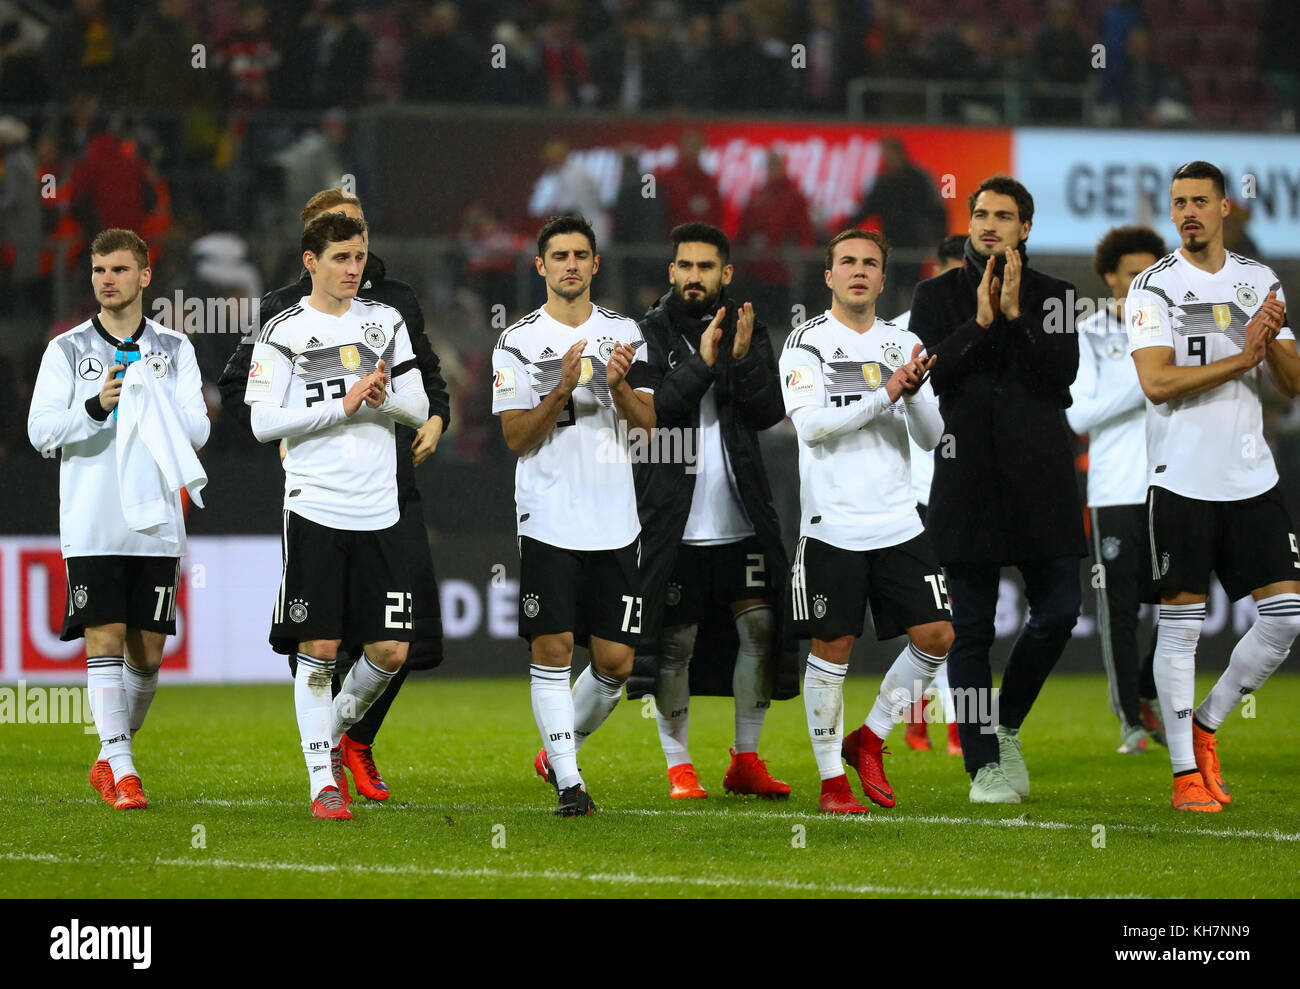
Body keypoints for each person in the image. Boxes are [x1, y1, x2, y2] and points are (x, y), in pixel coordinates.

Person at [219, 187, 450, 801]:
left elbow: (421, 403)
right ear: (309, 261)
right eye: (341, 258)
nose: (354, 269)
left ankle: (335, 730)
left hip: (383, 507)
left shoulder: (387, 320)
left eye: (358, 257)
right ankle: (323, 781)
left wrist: (385, 400)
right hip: (317, 505)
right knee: (318, 647)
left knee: (392, 650)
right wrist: (341, 410)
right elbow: (263, 423)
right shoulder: (280, 329)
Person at [1127, 161, 1300, 812]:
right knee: (1181, 630)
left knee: (1286, 616)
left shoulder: (1259, 279)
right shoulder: (1153, 288)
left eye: (1200, 201)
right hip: (1183, 478)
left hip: (1252, 475)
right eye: (1178, 203)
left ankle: (1204, 724)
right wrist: (1242, 356)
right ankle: (1182, 776)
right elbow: (1158, 383)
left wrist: (1268, 339)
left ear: (1225, 207)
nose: (1189, 212)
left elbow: (1292, 380)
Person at [908, 175, 1085, 804]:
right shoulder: (934, 296)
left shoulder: (1057, 295)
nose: (988, 224)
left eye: (1003, 216)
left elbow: (1060, 378)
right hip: (966, 478)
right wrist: (980, 324)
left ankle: (1003, 723)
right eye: (980, 213)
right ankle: (984, 762)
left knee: (1061, 610)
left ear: (1025, 228)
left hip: (1043, 478)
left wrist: (1014, 317)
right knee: (972, 631)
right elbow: (933, 377)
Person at [27, 227, 209, 810]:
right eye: (100, 270)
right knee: (102, 636)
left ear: (145, 276)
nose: (108, 280)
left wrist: (148, 399)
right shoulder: (68, 350)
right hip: (92, 523)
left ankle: (109, 756)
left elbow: (200, 430)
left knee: (147, 655)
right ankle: (124, 772)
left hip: (155, 524)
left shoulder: (175, 350)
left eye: (120, 270)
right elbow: (40, 433)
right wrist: (96, 407)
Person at [780, 229, 952, 814]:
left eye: (870, 263)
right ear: (828, 276)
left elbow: (932, 436)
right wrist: (886, 394)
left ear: (883, 278)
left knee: (937, 637)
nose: (859, 271)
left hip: (899, 519)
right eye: (847, 262)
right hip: (833, 524)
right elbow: (811, 428)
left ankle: (870, 737)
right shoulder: (806, 344)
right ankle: (832, 783)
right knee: (833, 650)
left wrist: (914, 393)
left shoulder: (905, 341)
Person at [492, 215, 656, 816]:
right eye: (558, 255)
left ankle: (556, 752)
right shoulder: (516, 342)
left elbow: (649, 425)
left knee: (616, 662)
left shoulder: (625, 333)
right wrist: (558, 391)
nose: (570, 264)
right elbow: (515, 438)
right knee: (554, 646)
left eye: (580, 255)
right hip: (549, 514)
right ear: (540, 266)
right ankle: (569, 781)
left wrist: (616, 388)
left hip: (615, 517)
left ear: (594, 265)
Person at [633, 222, 793, 800]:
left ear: (726, 274)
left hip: (741, 514)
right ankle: (679, 765)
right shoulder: (646, 332)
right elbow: (657, 414)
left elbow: (769, 411)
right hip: (675, 517)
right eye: (685, 266)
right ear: (671, 271)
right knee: (675, 643)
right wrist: (702, 363)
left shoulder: (749, 328)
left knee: (760, 627)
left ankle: (745, 759)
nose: (694, 276)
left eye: (706, 267)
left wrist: (745, 358)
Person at [1066, 225, 1167, 755]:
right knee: (1121, 608)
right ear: (1110, 278)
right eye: (1132, 275)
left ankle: (1148, 689)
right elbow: (1078, 412)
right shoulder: (1090, 334)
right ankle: (1129, 718)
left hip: (1177, 481)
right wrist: (1148, 379)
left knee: (1181, 599)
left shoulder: (1174, 330)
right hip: (1116, 489)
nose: (1142, 285)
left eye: (1151, 275)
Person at [895, 233, 966, 756]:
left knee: (955, 610)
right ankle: (920, 715)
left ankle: (949, 719)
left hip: (962, 486)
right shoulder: (895, 333)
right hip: (911, 491)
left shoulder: (983, 331)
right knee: (927, 611)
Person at [847, 137, 948, 317]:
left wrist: (939, 242)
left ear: (901, 154)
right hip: (891, 247)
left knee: (913, 292)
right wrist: (844, 230)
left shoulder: (919, 180)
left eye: (890, 154)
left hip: (915, 248)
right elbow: (867, 209)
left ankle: (913, 327)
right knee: (889, 293)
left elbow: (937, 212)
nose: (888, 159)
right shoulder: (884, 181)